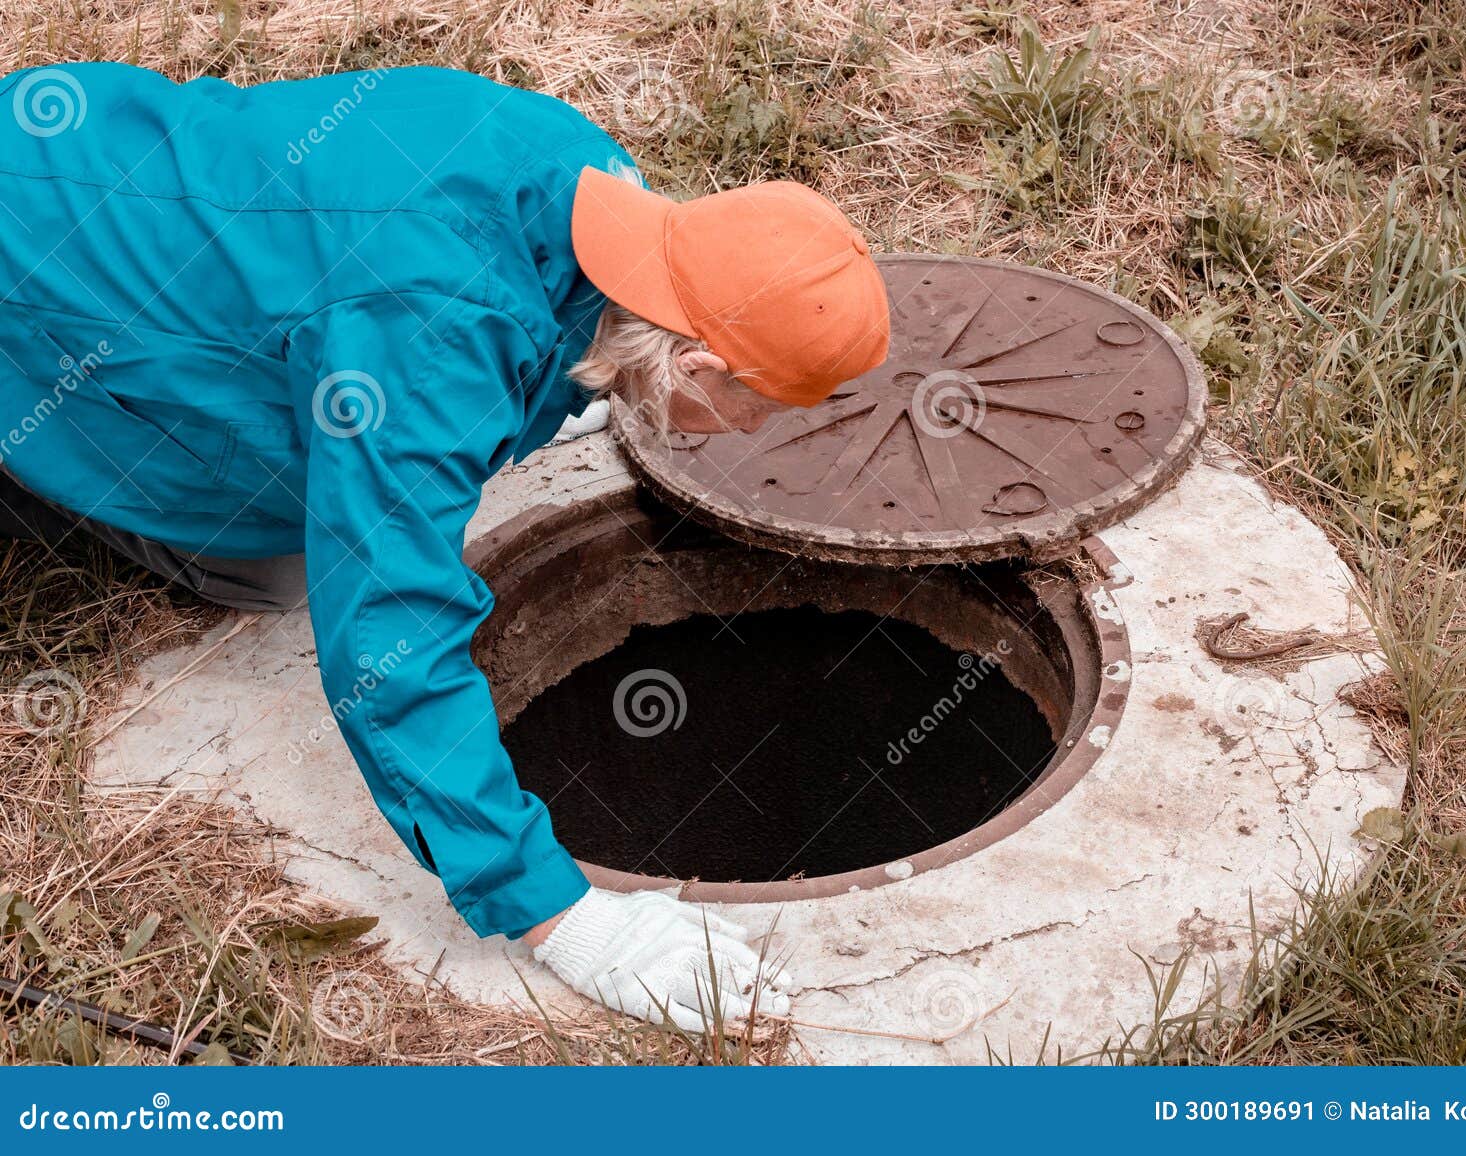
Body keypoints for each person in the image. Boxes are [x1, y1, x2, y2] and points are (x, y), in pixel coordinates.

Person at [0, 62, 890, 1030]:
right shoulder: (429, 343)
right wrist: (560, 915)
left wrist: (521, 403)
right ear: (695, 360)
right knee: (269, 568)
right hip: (33, 270)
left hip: (81, 146)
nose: (754, 435)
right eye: (755, 409)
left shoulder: (585, 175)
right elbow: (389, 628)